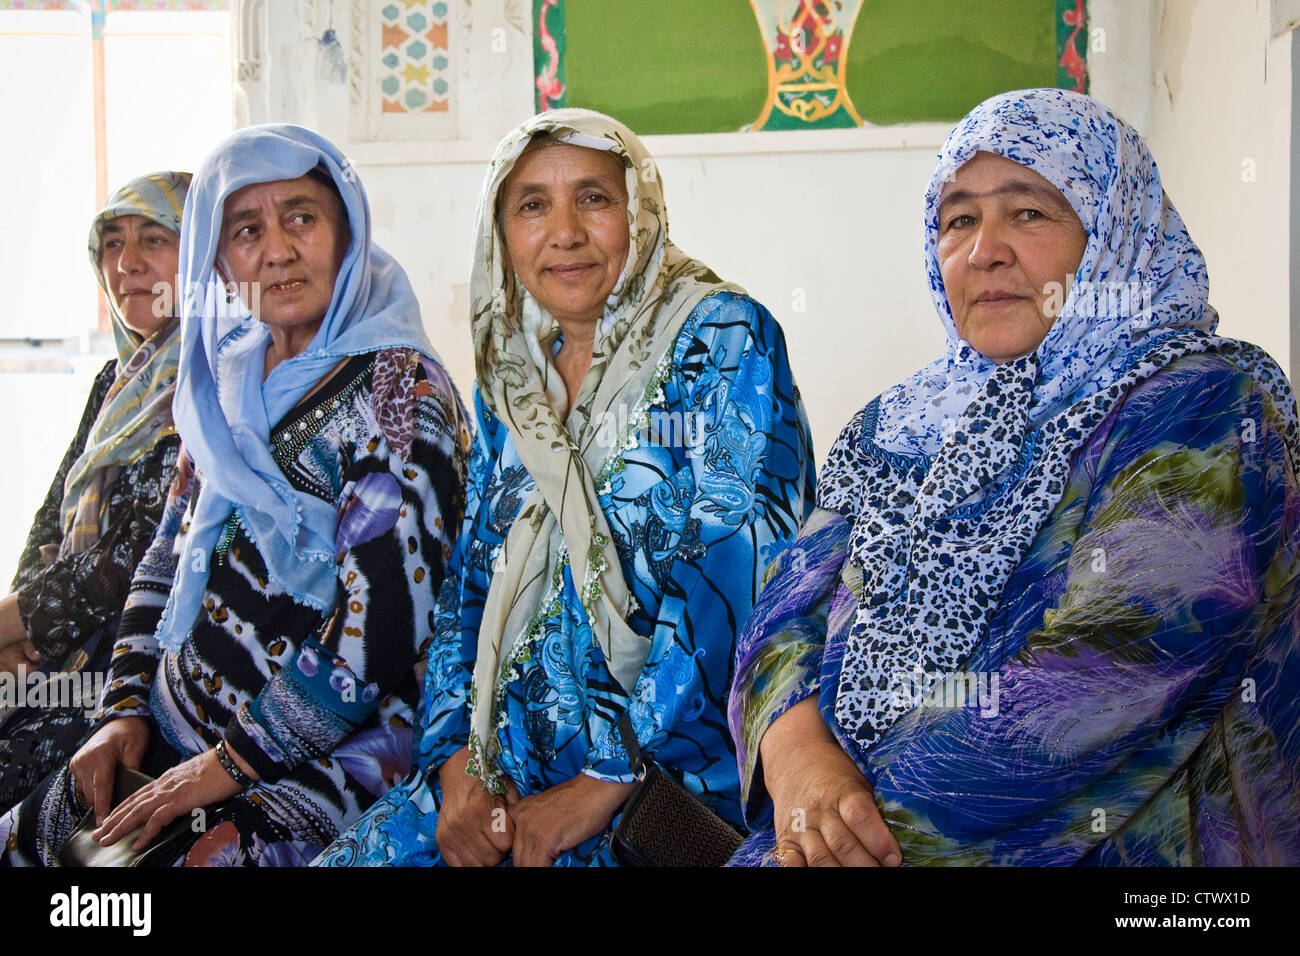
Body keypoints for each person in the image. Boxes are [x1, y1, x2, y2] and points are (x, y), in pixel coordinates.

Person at [728, 88, 1300, 867]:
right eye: (958, 219)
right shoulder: (898, 421)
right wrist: (797, 761)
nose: (983, 249)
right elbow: (783, 611)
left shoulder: (1202, 402)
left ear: (1112, 233)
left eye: (1027, 212)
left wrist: (841, 843)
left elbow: (1105, 674)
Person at [315, 108, 815, 867]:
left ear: (638, 211)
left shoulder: (723, 338)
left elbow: (736, 579)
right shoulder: (511, 381)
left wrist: (602, 783)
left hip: (660, 783)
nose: (565, 232)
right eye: (532, 205)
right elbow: (468, 586)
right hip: (499, 765)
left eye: (593, 197)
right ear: (503, 234)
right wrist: (454, 762)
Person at [0, 124, 471, 866]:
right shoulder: (224, 374)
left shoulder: (398, 391)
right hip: (171, 724)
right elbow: (165, 556)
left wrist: (223, 768)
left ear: (346, 232)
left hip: (322, 755)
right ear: (216, 260)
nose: (278, 250)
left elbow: (377, 630)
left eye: (302, 218)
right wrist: (121, 712)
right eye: (246, 229)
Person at [0, 171, 190, 808]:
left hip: (140, 669)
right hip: (62, 644)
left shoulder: (212, 379)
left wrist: (12, 627)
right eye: (111, 244)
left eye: (153, 240)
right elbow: (51, 521)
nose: (127, 264)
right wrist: (15, 643)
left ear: (200, 253)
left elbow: (135, 555)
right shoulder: (116, 378)